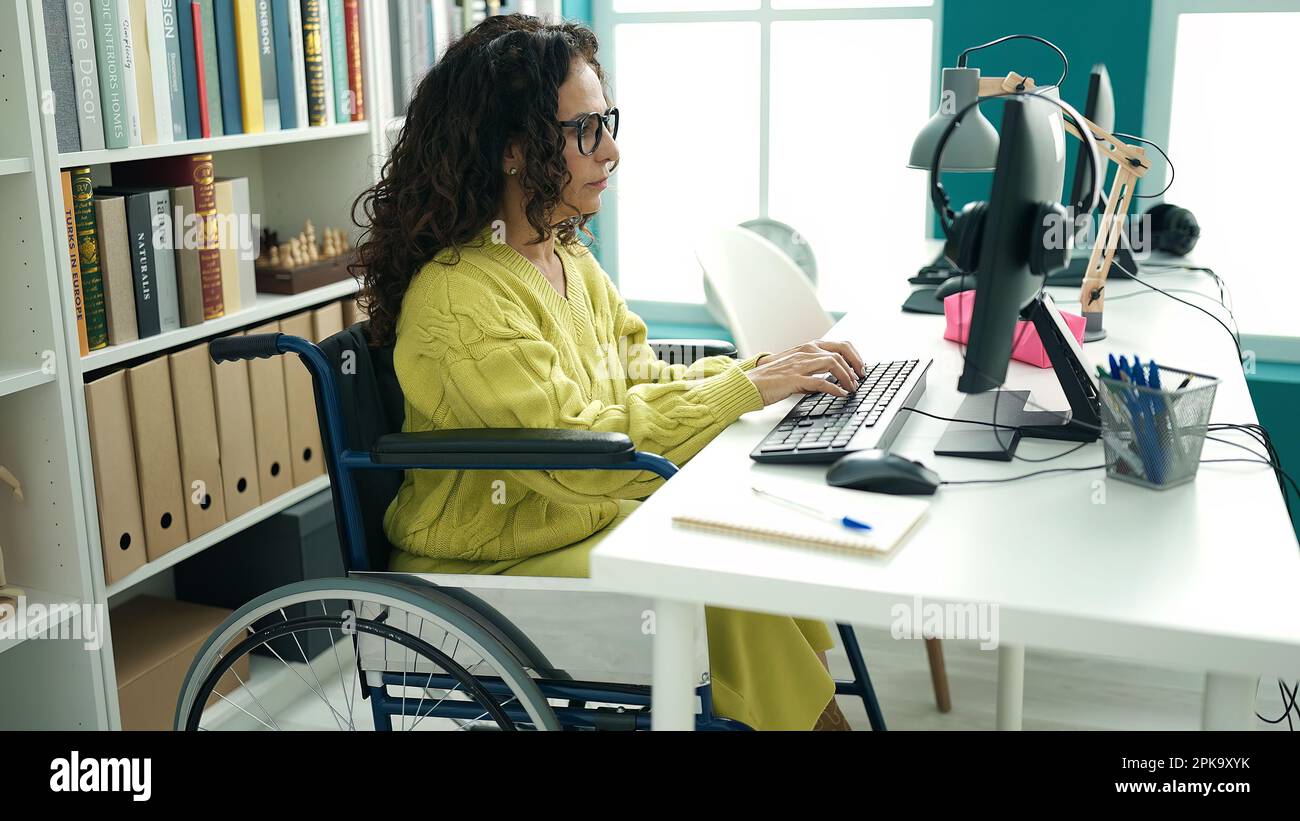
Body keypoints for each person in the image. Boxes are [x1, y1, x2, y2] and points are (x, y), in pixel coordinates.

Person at [352, 14, 866, 731]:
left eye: (607, 122)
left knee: (746, 537)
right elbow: (576, 461)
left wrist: (768, 371)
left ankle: (793, 713)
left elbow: (638, 378)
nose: (613, 151)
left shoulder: (566, 256)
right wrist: (747, 388)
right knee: (717, 562)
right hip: (494, 561)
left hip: (574, 523)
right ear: (511, 149)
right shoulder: (458, 299)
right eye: (586, 130)